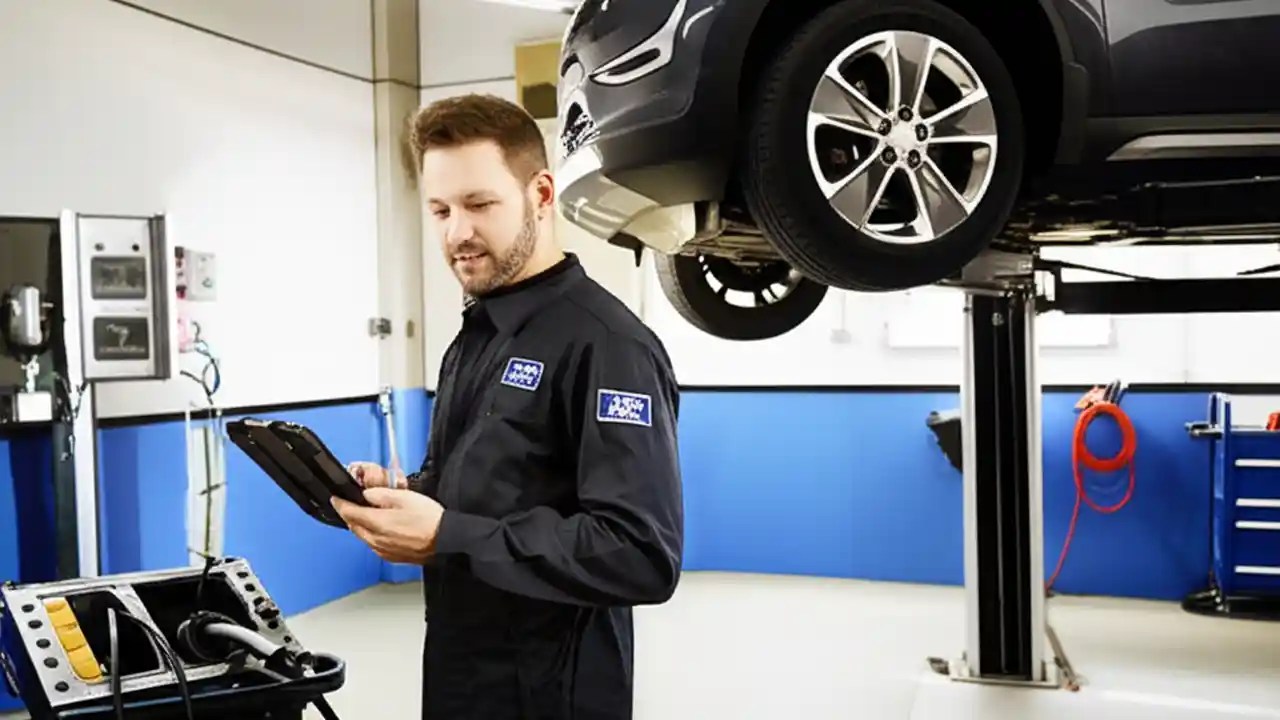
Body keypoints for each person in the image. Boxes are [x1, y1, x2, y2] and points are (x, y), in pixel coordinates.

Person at [333, 93, 685, 720]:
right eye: (440, 209)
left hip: (554, 693)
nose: (456, 233)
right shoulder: (476, 337)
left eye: (479, 204)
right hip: (463, 676)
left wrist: (448, 535)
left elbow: (640, 553)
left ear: (541, 195)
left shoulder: (608, 346)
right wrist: (406, 493)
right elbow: (487, 485)